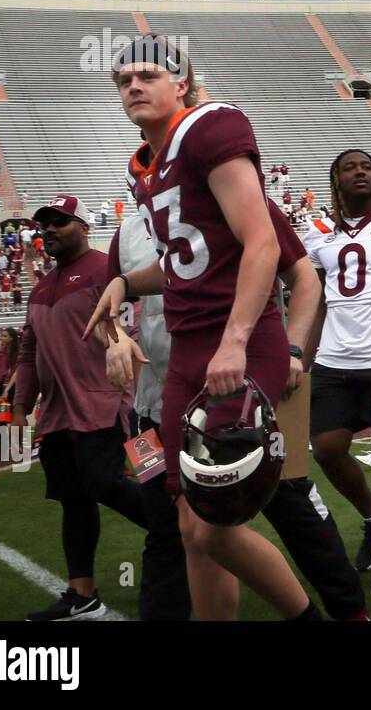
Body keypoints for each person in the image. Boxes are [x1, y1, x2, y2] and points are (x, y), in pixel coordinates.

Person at [85, 33, 317, 621]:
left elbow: (261, 241)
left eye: (147, 75)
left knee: (215, 524)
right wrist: (122, 283)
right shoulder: (155, 168)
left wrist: (237, 341)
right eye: (123, 80)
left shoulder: (211, 125)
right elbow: (188, 263)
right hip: (185, 351)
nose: (133, 85)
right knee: (190, 528)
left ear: (182, 84)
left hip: (233, 339)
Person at [103, 196, 371, 621]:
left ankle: (350, 609)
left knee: (292, 508)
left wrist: (293, 351)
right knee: (170, 526)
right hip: (152, 407)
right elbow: (111, 309)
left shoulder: (241, 198)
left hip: (241, 395)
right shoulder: (130, 230)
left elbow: (302, 279)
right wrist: (115, 339)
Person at [12, 195, 148, 620]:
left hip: (108, 405)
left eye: (60, 221)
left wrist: (132, 399)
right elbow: (27, 354)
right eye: (44, 224)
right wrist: (20, 408)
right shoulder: (39, 287)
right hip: (57, 416)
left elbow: (135, 333)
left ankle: (179, 533)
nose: (48, 229)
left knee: (108, 483)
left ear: (85, 227)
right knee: (74, 499)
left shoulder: (108, 273)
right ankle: (82, 595)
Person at [302, 148, 371, 586]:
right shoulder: (316, 231)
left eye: (366, 166)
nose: (360, 172)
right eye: (350, 167)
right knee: (326, 447)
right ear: (336, 179)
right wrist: (302, 359)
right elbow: (312, 302)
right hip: (333, 358)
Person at [0, 327, 18, 403]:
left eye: (5, 336)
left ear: (11, 338)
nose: (1, 338)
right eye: (1, 336)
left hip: (13, 386)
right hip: (0, 386)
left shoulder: (17, 354)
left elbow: (17, 372)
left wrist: (7, 389)